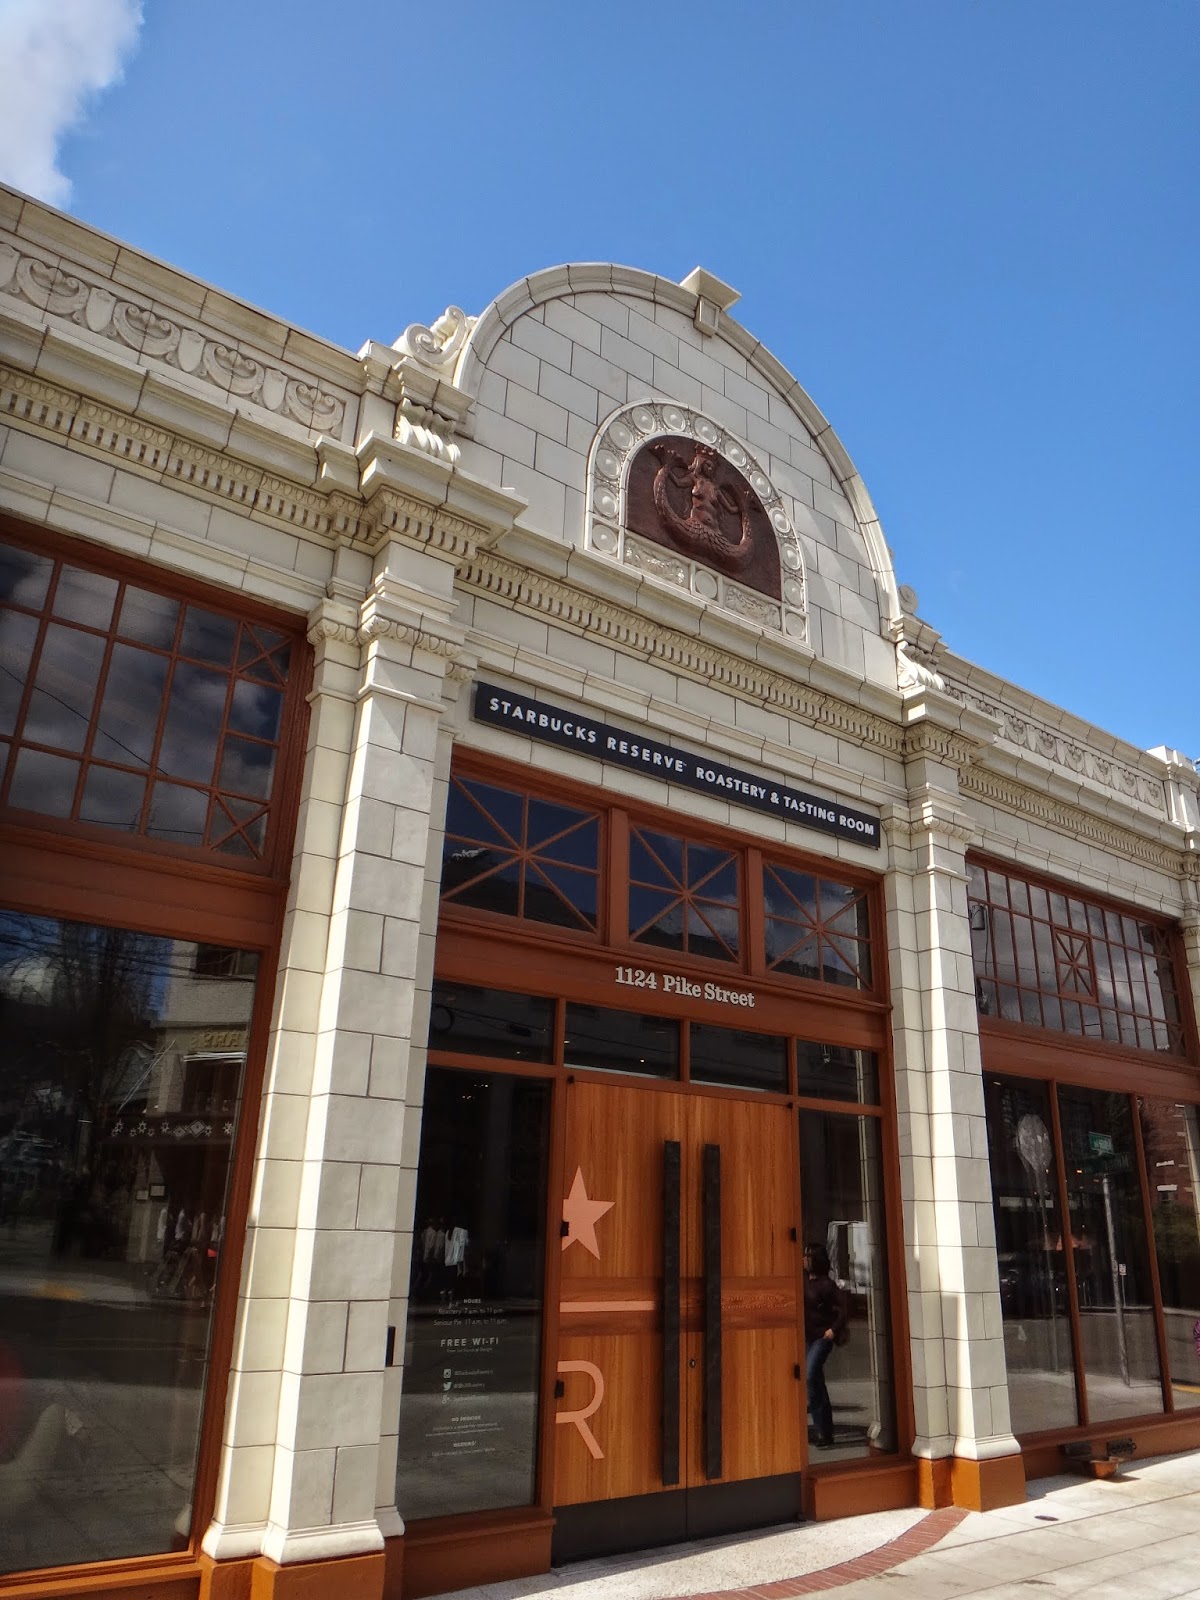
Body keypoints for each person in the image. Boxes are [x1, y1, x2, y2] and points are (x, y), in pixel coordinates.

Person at [804, 1243, 846, 1448]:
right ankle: (824, 1431)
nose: (804, 1260)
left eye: (808, 1256)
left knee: (811, 1375)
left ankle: (823, 1429)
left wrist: (833, 1329)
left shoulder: (826, 1285)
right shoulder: (805, 1283)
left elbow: (846, 1306)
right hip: (807, 1338)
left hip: (821, 1337)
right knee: (815, 1381)